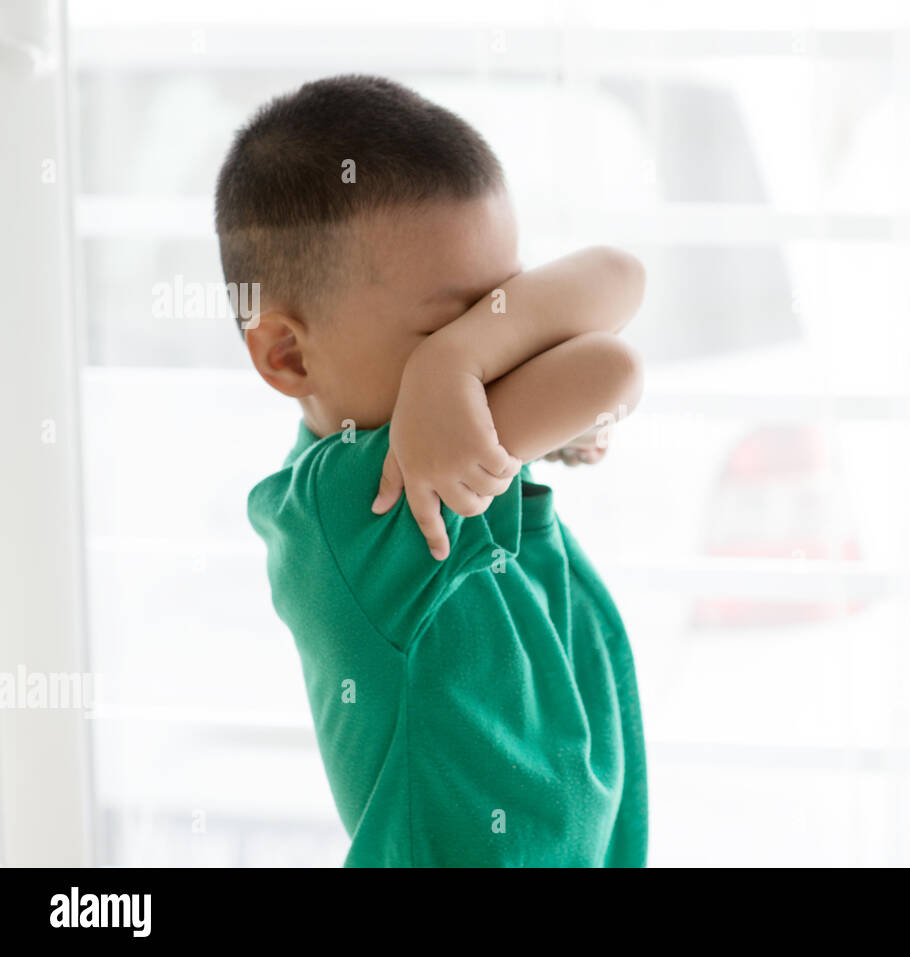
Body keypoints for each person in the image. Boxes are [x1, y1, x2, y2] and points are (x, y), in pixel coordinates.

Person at [222, 74, 648, 866]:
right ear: (287, 355)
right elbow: (611, 369)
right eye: (454, 320)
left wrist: (450, 357)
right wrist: (469, 369)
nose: (502, 335)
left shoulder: (441, 423)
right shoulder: (353, 507)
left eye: (509, 298)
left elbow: (622, 275)